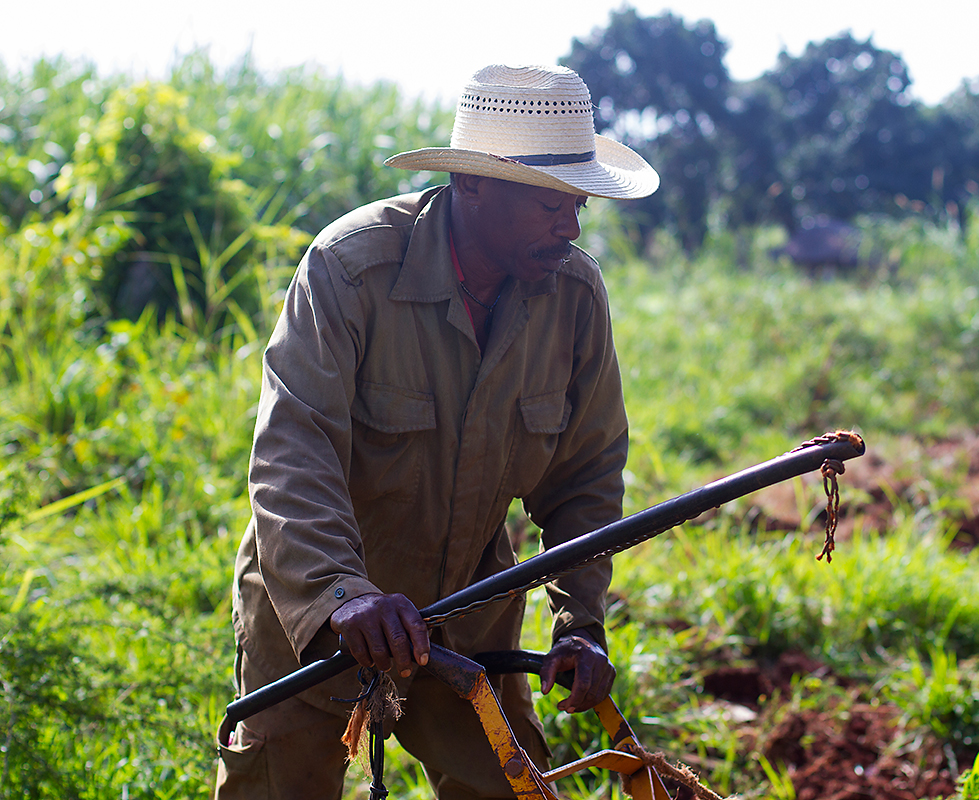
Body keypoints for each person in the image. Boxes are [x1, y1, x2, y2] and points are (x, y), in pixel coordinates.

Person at [214, 63, 659, 800]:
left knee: (506, 787)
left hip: (470, 612)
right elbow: (295, 449)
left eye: (578, 205)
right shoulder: (350, 271)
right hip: (315, 613)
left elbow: (586, 472)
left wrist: (580, 620)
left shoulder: (572, 296)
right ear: (473, 186)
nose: (571, 227)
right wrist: (340, 596)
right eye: (551, 203)